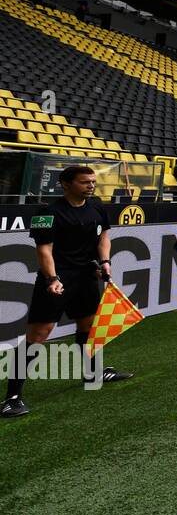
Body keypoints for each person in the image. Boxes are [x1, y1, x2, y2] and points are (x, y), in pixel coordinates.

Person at [2, 165, 133, 419]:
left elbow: (104, 236)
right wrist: (52, 278)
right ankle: (12, 398)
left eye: (93, 182)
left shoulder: (96, 208)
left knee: (88, 327)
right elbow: (44, 250)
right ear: (66, 184)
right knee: (39, 334)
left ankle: (92, 372)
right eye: (85, 182)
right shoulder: (48, 213)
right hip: (58, 278)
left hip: (87, 276)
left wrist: (104, 262)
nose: (91, 186)